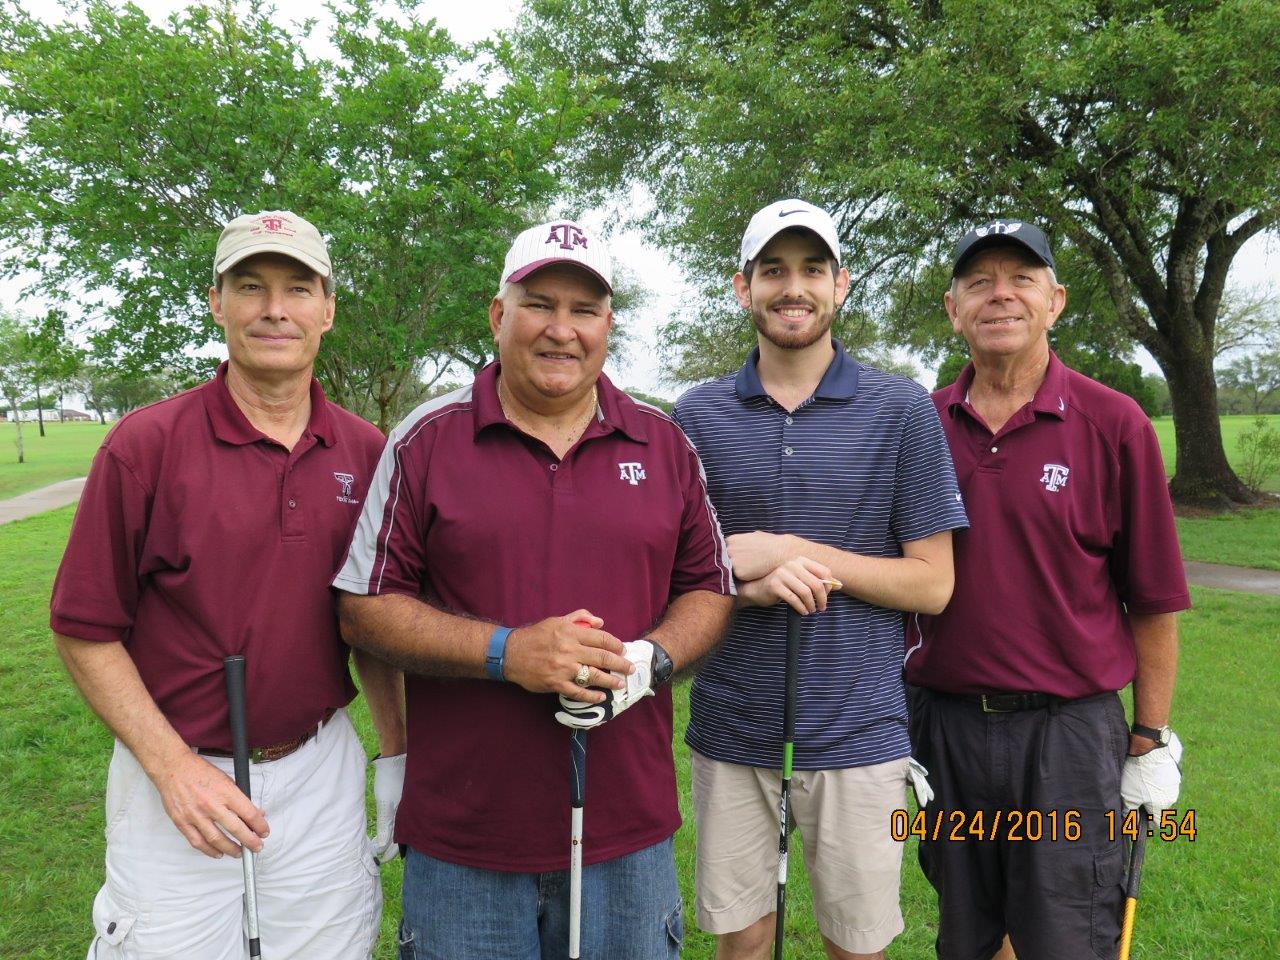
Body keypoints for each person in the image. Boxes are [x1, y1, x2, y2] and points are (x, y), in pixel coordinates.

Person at [331, 218, 736, 960]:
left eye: (584, 310)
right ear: (498, 315)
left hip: (627, 832)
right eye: (539, 304)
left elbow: (710, 588)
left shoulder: (665, 443)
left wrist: (653, 662)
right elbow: (364, 609)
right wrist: (505, 651)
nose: (562, 329)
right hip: (465, 838)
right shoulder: (426, 440)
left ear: (608, 325)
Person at [50, 210, 406, 960]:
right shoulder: (144, 445)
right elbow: (84, 627)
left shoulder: (367, 451)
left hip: (317, 771)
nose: (275, 309)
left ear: (328, 309)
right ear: (216, 303)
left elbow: (373, 624)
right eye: (251, 286)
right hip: (178, 777)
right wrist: (172, 768)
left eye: (298, 289)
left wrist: (396, 754)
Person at [672, 199, 969, 960]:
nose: (792, 287)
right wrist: (751, 579)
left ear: (842, 285)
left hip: (862, 736)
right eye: (773, 270)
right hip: (732, 732)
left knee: (857, 947)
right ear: (743, 288)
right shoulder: (695, 416)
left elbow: (933, 585)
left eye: (811, 270)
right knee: (743, 942)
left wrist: (793, 548)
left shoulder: (900, 408)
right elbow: (677, 569)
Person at [904, 219, 1189, 960]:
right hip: (947, 727)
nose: (1001, 295)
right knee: (968, 934)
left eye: (1022, 278)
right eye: (979, 282)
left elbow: (1153, 599)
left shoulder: (1114, 423)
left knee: (1064, 936)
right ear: (953, 306)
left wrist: (1150, 739)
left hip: (1068, 735)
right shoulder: (919, 425)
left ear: (1055, 300)